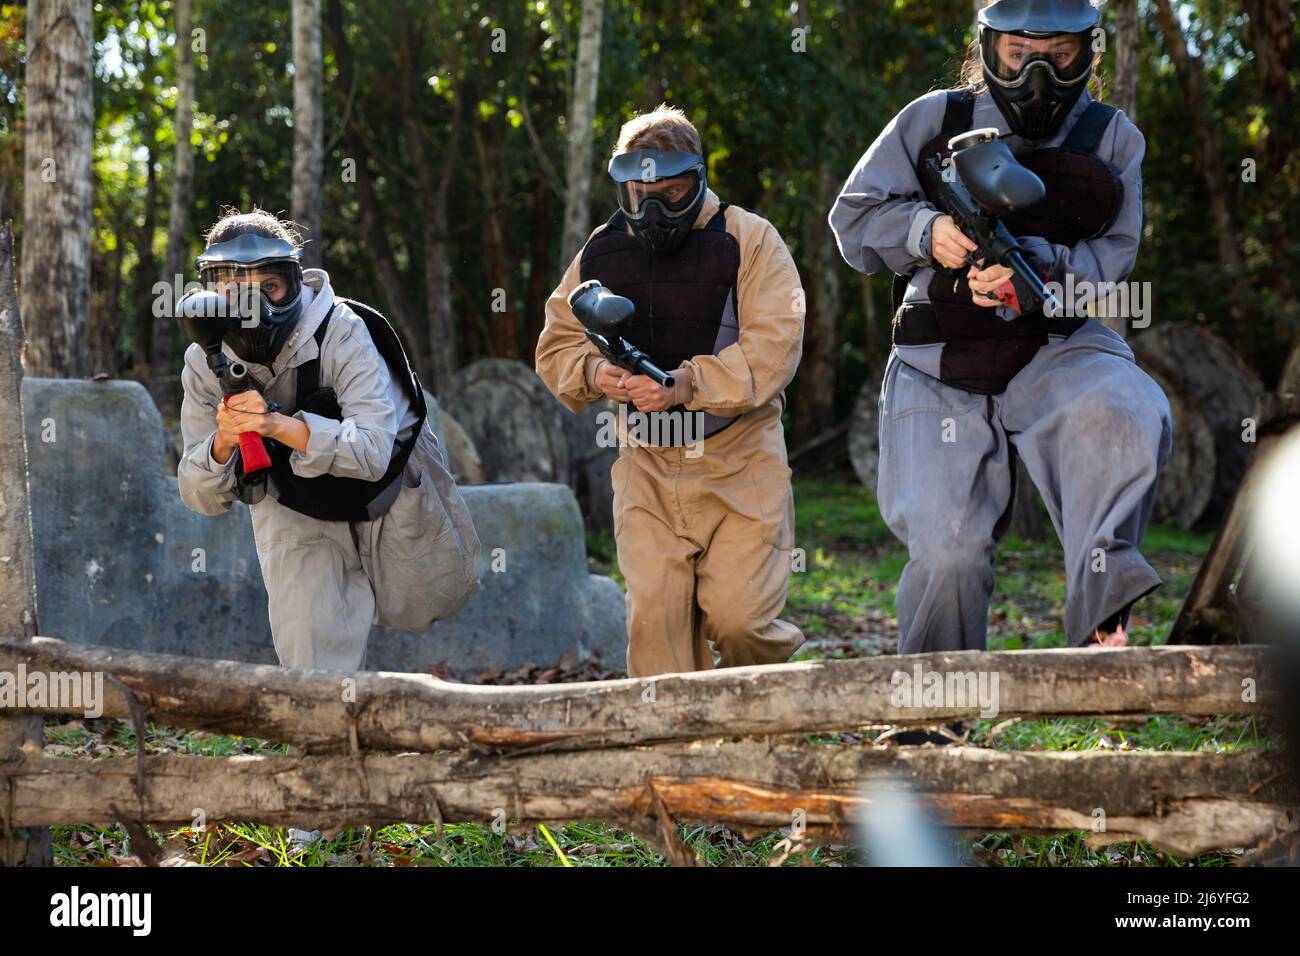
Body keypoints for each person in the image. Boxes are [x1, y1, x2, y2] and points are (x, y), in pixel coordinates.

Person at [829, 0, 1171, 653]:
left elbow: (1111, 260)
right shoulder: (934, 118)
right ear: (989, 46)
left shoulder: (1112, 136)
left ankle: (1104, 617)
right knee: (948, 556)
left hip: (1055, 345)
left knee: (1123, 409)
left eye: (1057, 53)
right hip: (939, 359)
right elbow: (853, 220)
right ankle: (935, 712)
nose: (1036, 69)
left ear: (1086, 51)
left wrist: (1040, 272)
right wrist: (925, 231)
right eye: (1019, 51)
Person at [536, 105, 806, 678]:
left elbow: (775, 346)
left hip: (739, 458)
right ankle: (673, 763)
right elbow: (556, 345)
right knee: (655, 626)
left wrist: (686, 383)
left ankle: (761, 735)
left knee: (741, 623)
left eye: (671, 191)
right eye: (638, 193)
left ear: (697, 179)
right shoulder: (601, 252)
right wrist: (593, 373)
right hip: (646, 464)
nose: (653, 207)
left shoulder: (749, 239)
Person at [176, 208, 480, 670]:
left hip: (389, 487)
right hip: (294, 500)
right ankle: (328, 736)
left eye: (269, 287)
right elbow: (198, 495)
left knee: (430, 595)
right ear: (210, 292)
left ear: (293, 282)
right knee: (312, 654)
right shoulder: (203, 359)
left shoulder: (343, 329)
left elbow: (376, 452)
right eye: (233, 291)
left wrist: (276, 425)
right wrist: (224, 440)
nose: (252, 307)